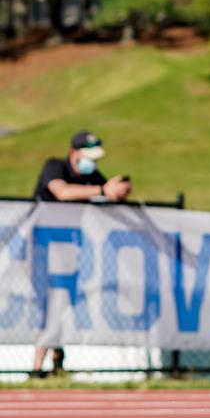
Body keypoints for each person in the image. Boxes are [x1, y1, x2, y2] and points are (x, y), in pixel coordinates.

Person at [30, 132, 135, 376]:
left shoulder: (91, 177)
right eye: (88, 156)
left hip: (71, 252)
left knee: (62, 304)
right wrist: (103, 189)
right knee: (49, 304)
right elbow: (62, 192)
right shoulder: (55, 166)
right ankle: (38, 367)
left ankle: (55, 361)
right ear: (74, 153)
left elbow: (107, 194)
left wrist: (118, 192)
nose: (92, 162)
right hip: (42, 249)